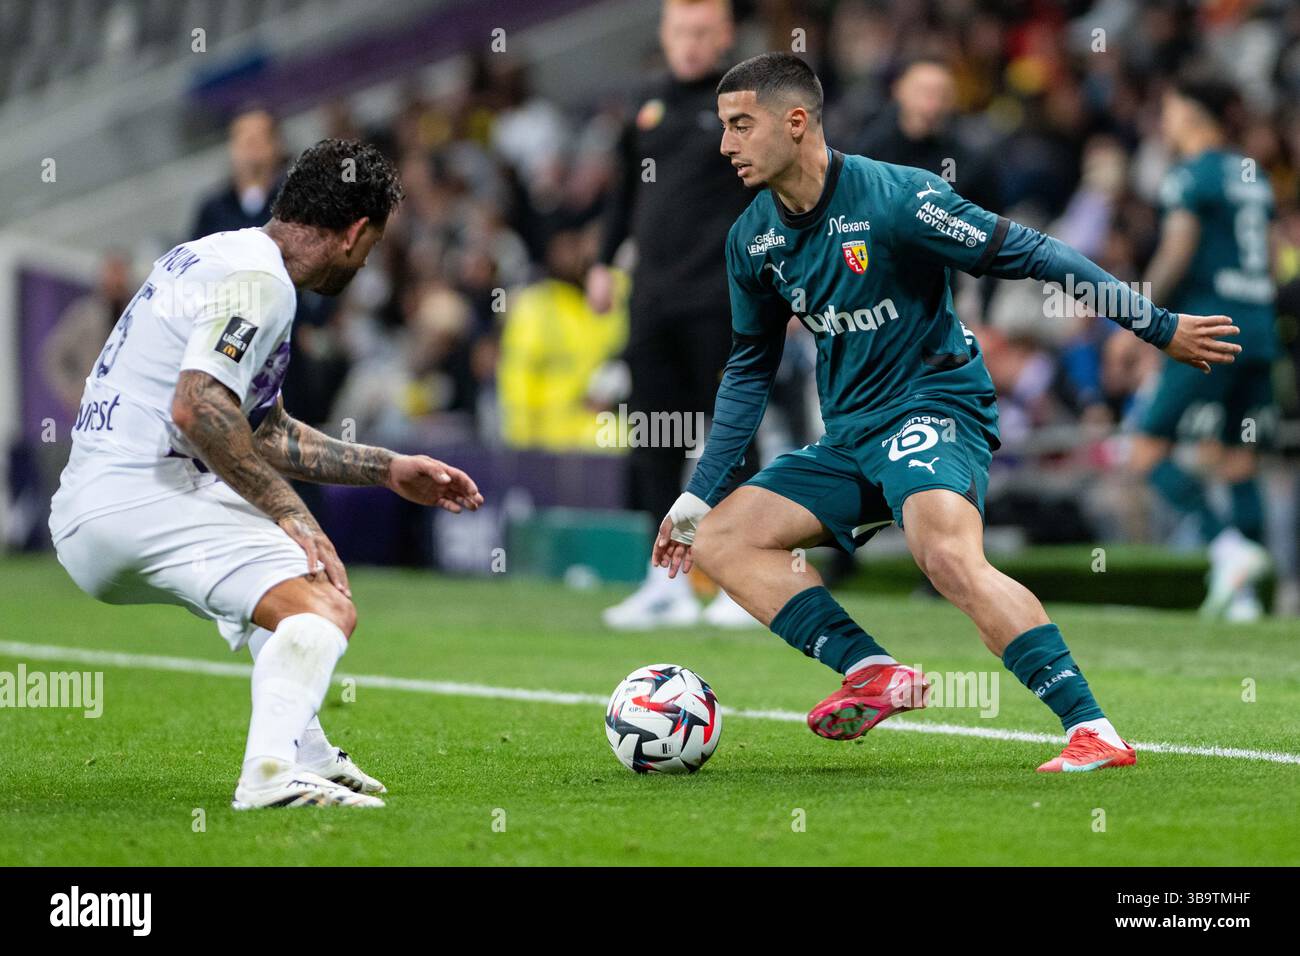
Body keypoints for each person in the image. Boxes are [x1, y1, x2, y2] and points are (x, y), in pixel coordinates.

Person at [653, 54, 1242, 773]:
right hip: (851, 435)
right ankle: (872, 671)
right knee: (721, 539)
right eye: (724, 127)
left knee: (946, 555)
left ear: (796, 122)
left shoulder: (899, 200)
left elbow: (1037, 253)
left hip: (934, 406)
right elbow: (749, 370)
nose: (726, 145)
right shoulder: (753, 240)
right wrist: (696, 494)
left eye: (741, 125)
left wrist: (1155, 326)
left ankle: (1094, 729)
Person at [49, 140, 483, 809]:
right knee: (326, 602)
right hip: (141, 495)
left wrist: (386, 467)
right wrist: (294, 513)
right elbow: (198, 407)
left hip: (97, 504)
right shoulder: (264, 286)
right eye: (371, 248)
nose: (366, 265)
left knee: (288, 587)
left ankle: (306, 751)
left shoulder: (219, 256)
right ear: (356, 233)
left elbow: (262, 428)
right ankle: (269, 775)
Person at [590, 0, 758, 630]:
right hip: (652, 299)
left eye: (701, 33)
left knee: (731, 436)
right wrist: (604, 262)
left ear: (724, 36)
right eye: (679, 32)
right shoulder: (646, 105)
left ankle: (744, 581)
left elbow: (778, 188)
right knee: (656, 436)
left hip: (722, 298)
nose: (689, 43)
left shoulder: (744, 104)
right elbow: (623, 191)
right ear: (664, 35)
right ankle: (666, 583)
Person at [1127, 75, 1278, 621]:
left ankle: (1226, 548)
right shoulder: (1253, 175)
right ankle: (1250, 600)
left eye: (1168, 109)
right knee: (1239, 461)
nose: (1164, 122)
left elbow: (1176, 252)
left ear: (1191, 112)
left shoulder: (1190, 175)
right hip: (1260, 331)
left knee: (1144, 452)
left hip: (1208, 329)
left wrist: (1138, 315)